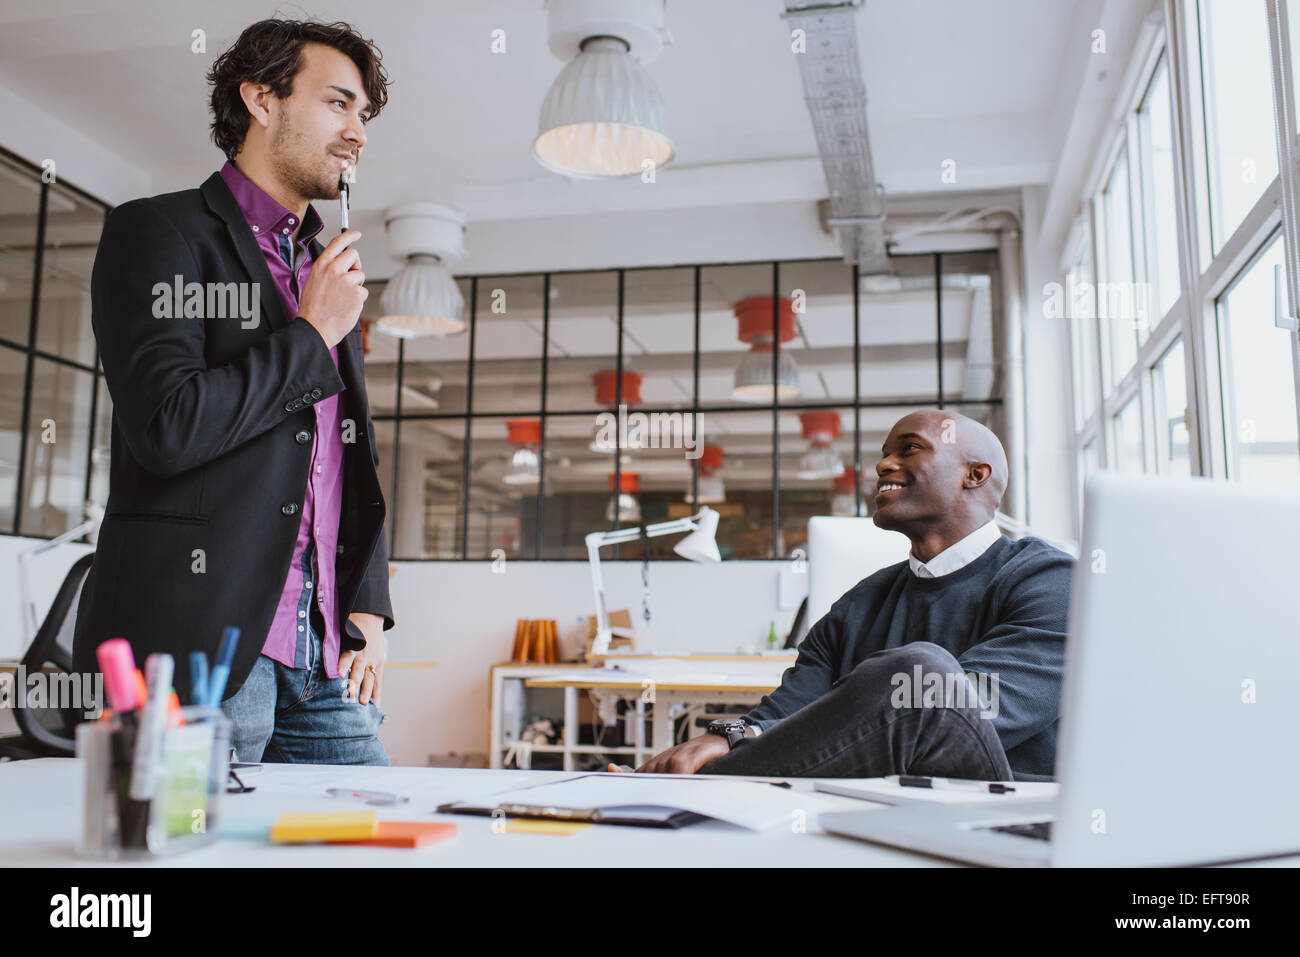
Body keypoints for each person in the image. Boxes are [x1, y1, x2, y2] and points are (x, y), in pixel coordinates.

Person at [72, 19, 396, 765]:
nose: (359, 133)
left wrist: (368, 600)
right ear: (262, 100)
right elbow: (168, 423)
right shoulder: (161, 234)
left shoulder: (322, 267)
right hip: (200, 649)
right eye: (339, 104)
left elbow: (347, 455)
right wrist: (310, 336)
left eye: (365, 116)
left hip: (322, 660)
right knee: (182, 851)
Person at [616, 410, 1074, 781]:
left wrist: (732, 756)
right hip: (857, 815)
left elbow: (956, 711)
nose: (882, 465)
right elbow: (787, 715)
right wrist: (725, 740)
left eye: (909, 448)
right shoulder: (859, 603)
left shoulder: (1050, 580)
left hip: (998, 818)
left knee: (919, 676)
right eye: (884, 454)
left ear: (974, 475)